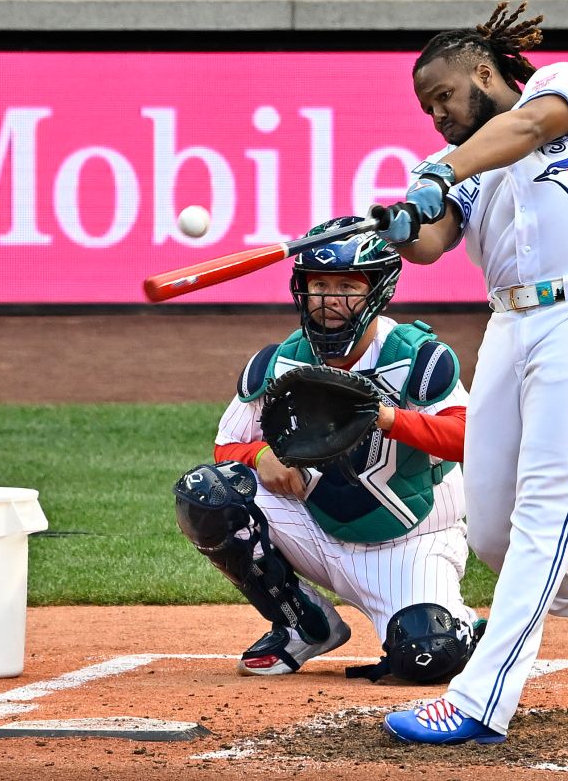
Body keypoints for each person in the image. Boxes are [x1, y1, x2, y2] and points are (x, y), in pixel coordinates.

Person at [372, 2, 568, 745]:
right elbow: (437, 240)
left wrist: (439, 169)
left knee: (541, 518)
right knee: (495, 528)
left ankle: (481, 698)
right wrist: (407, 225)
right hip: (510, 327)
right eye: (426, 109)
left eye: (443, 97)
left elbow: (529, 130)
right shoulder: (466, 165)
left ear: (481, 70)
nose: (438, 117)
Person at [173, 216, 483, 685]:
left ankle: (462, 626)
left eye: (346, 286)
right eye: (319, 286)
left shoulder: (417, 359)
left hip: (409, 545)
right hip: (314, 529)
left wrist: (386, 418)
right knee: (207, 494)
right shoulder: (280, 361)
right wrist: (260, 456)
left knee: (427, 658)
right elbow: (226, 445)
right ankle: (303, 624)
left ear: (377, 290)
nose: (329, 301)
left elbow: (469, 440)